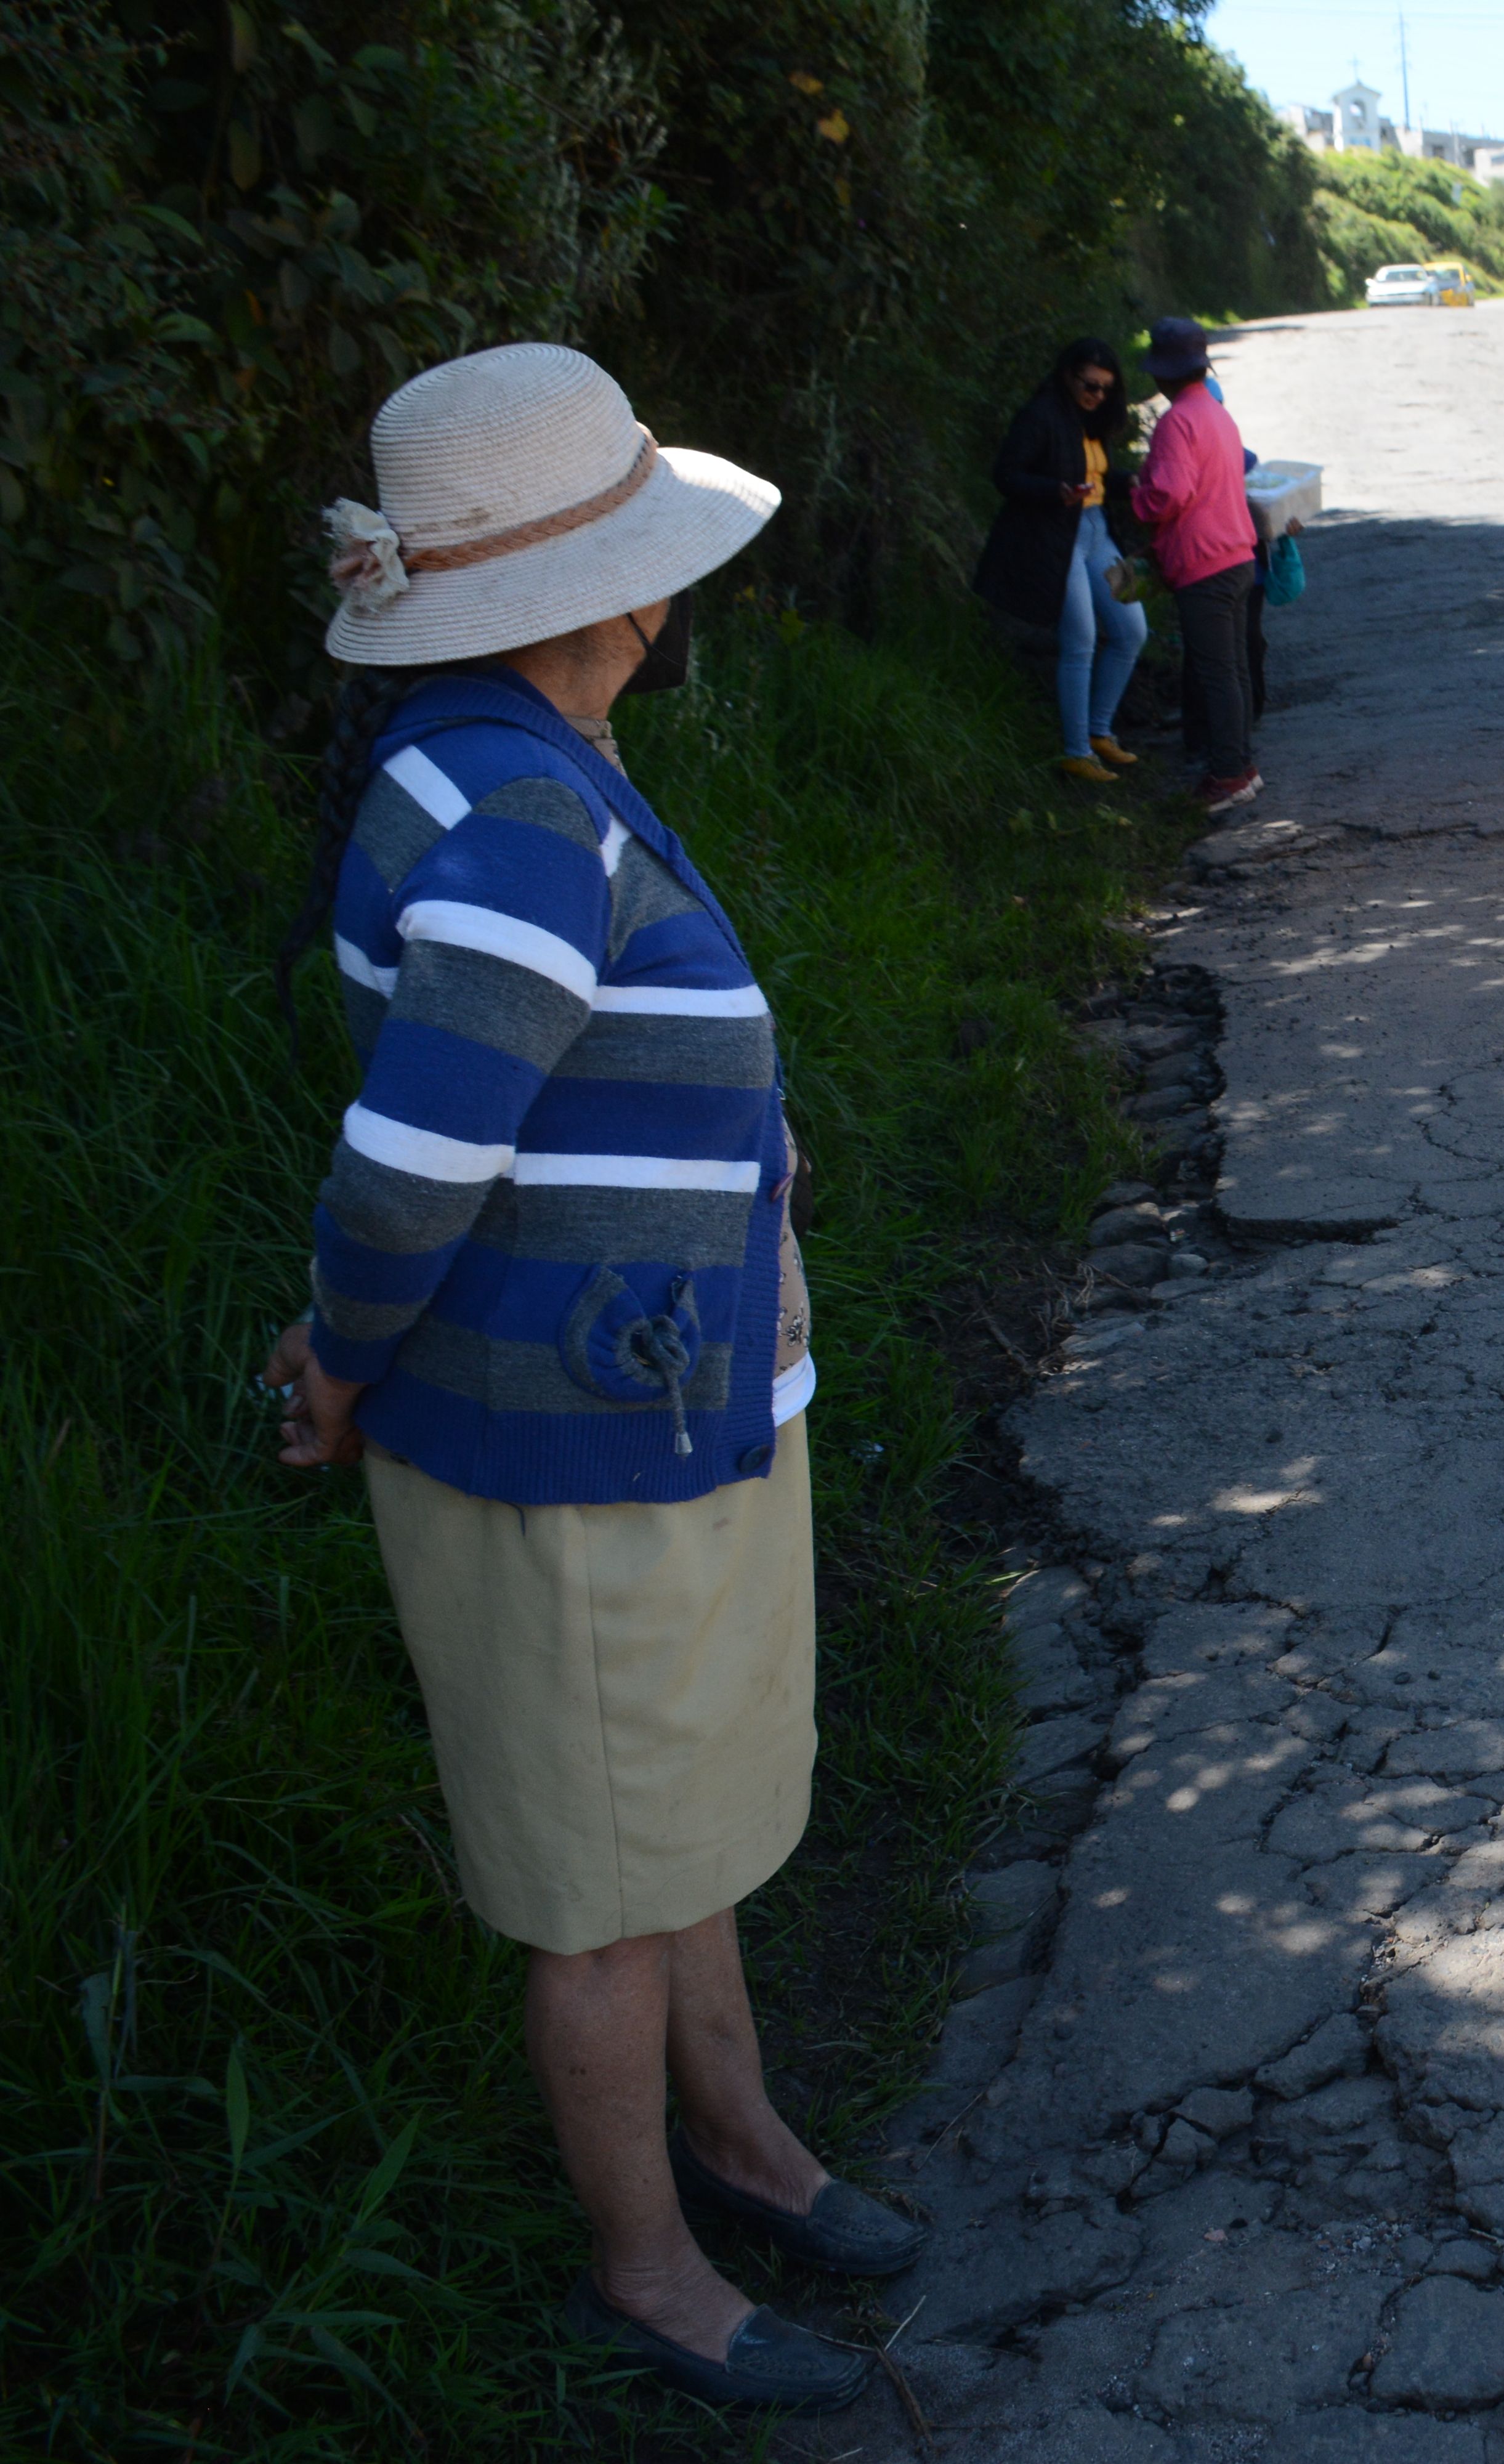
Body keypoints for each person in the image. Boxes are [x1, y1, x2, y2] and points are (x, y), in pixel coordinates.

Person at [271, 342, 919, 2415]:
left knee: (685, 1843)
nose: (676, 595)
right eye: (651, 563)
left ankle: (740, 2143)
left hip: (662, 1404)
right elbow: (417, 1161)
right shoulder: (522, 814)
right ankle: (646, 2270)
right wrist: (340, 1361)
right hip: (571, 1452)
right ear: (592, 597)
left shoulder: (505, 758)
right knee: (602, 1896)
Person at [974, 338, 1149, 783]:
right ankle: (1076, 751)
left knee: (1132, 629)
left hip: (1097, 531)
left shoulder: (1093, 420)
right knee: (1081, 639)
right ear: (1068, 375)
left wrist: (1132, 481)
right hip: (1058, 536)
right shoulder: (1041, 415)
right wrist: (1055, 491)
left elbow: (1100, 476)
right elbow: (1007, 475)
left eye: (1106, 388)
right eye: (1090, 385)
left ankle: (1098, 732)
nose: (1098, 395)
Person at [1128, 316, 1263, 810]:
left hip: (1203, 564)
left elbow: (1172, 493)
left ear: (1162, 375)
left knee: (1216, 673)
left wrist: (1138, 499)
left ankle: (1228, 775)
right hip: (1238, 557)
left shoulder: (1176, 423)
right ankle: (1243, 766)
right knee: (1235, 671)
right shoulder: (1217, 415)